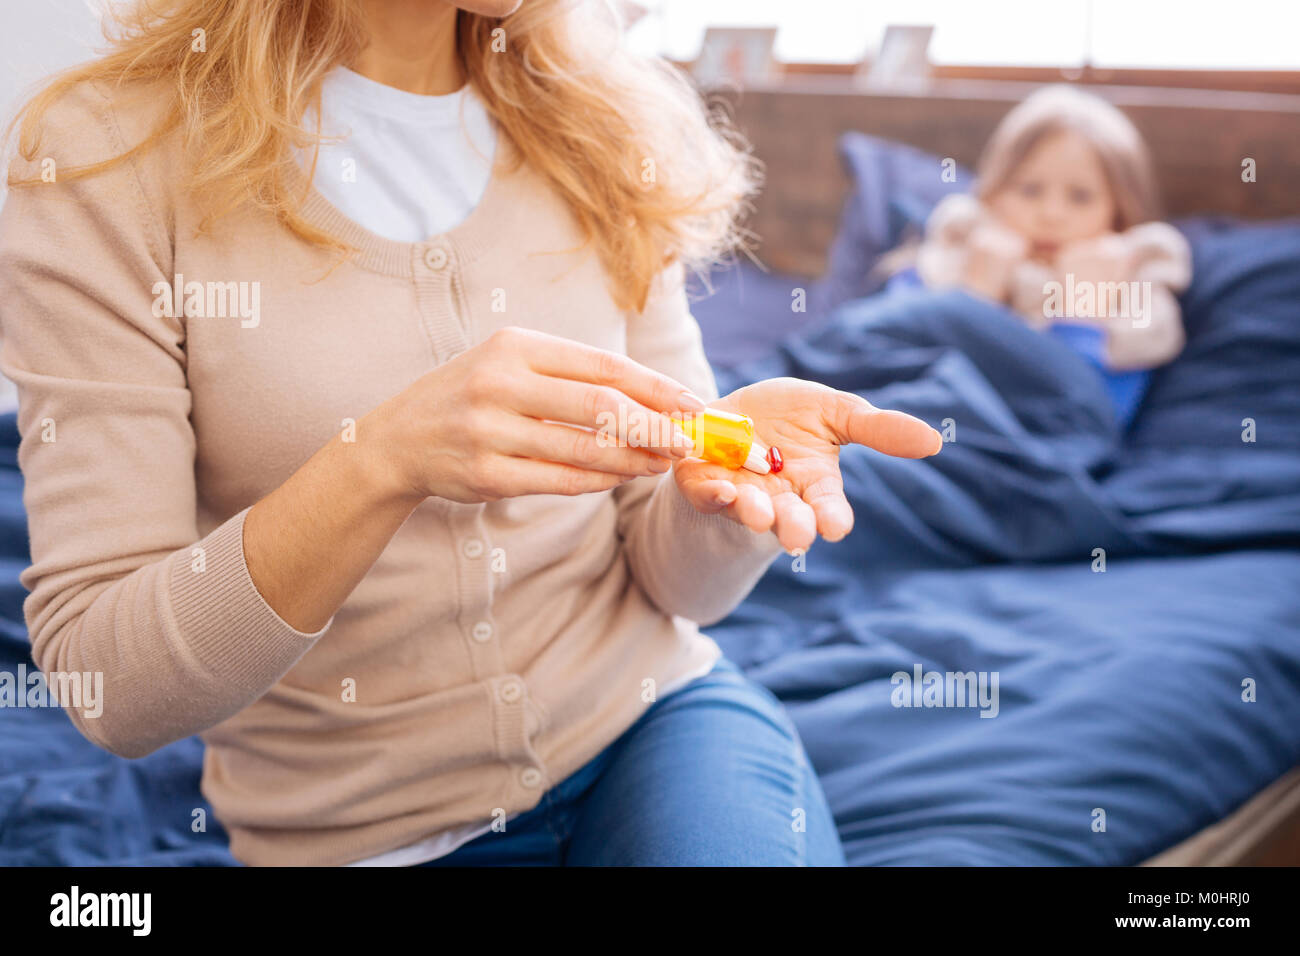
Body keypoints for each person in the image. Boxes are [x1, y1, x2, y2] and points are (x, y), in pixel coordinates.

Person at [0, 0, 940, 865]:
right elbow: (107, 687)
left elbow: (678, 588)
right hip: (353, 837)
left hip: (656, 724)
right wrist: (382, 462)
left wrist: (722, 509)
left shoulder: (606, 121)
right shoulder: (104, 160)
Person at [904, 85, 1192, 428]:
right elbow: (888, 379)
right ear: (993, 193)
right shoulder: (940, 264)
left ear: (1119, 212)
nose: (1051, 214)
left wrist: (1080, 315)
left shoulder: (1135, 307)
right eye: (1030, 190)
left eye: (1081, 197)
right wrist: (973, 297)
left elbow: (1085, 428)